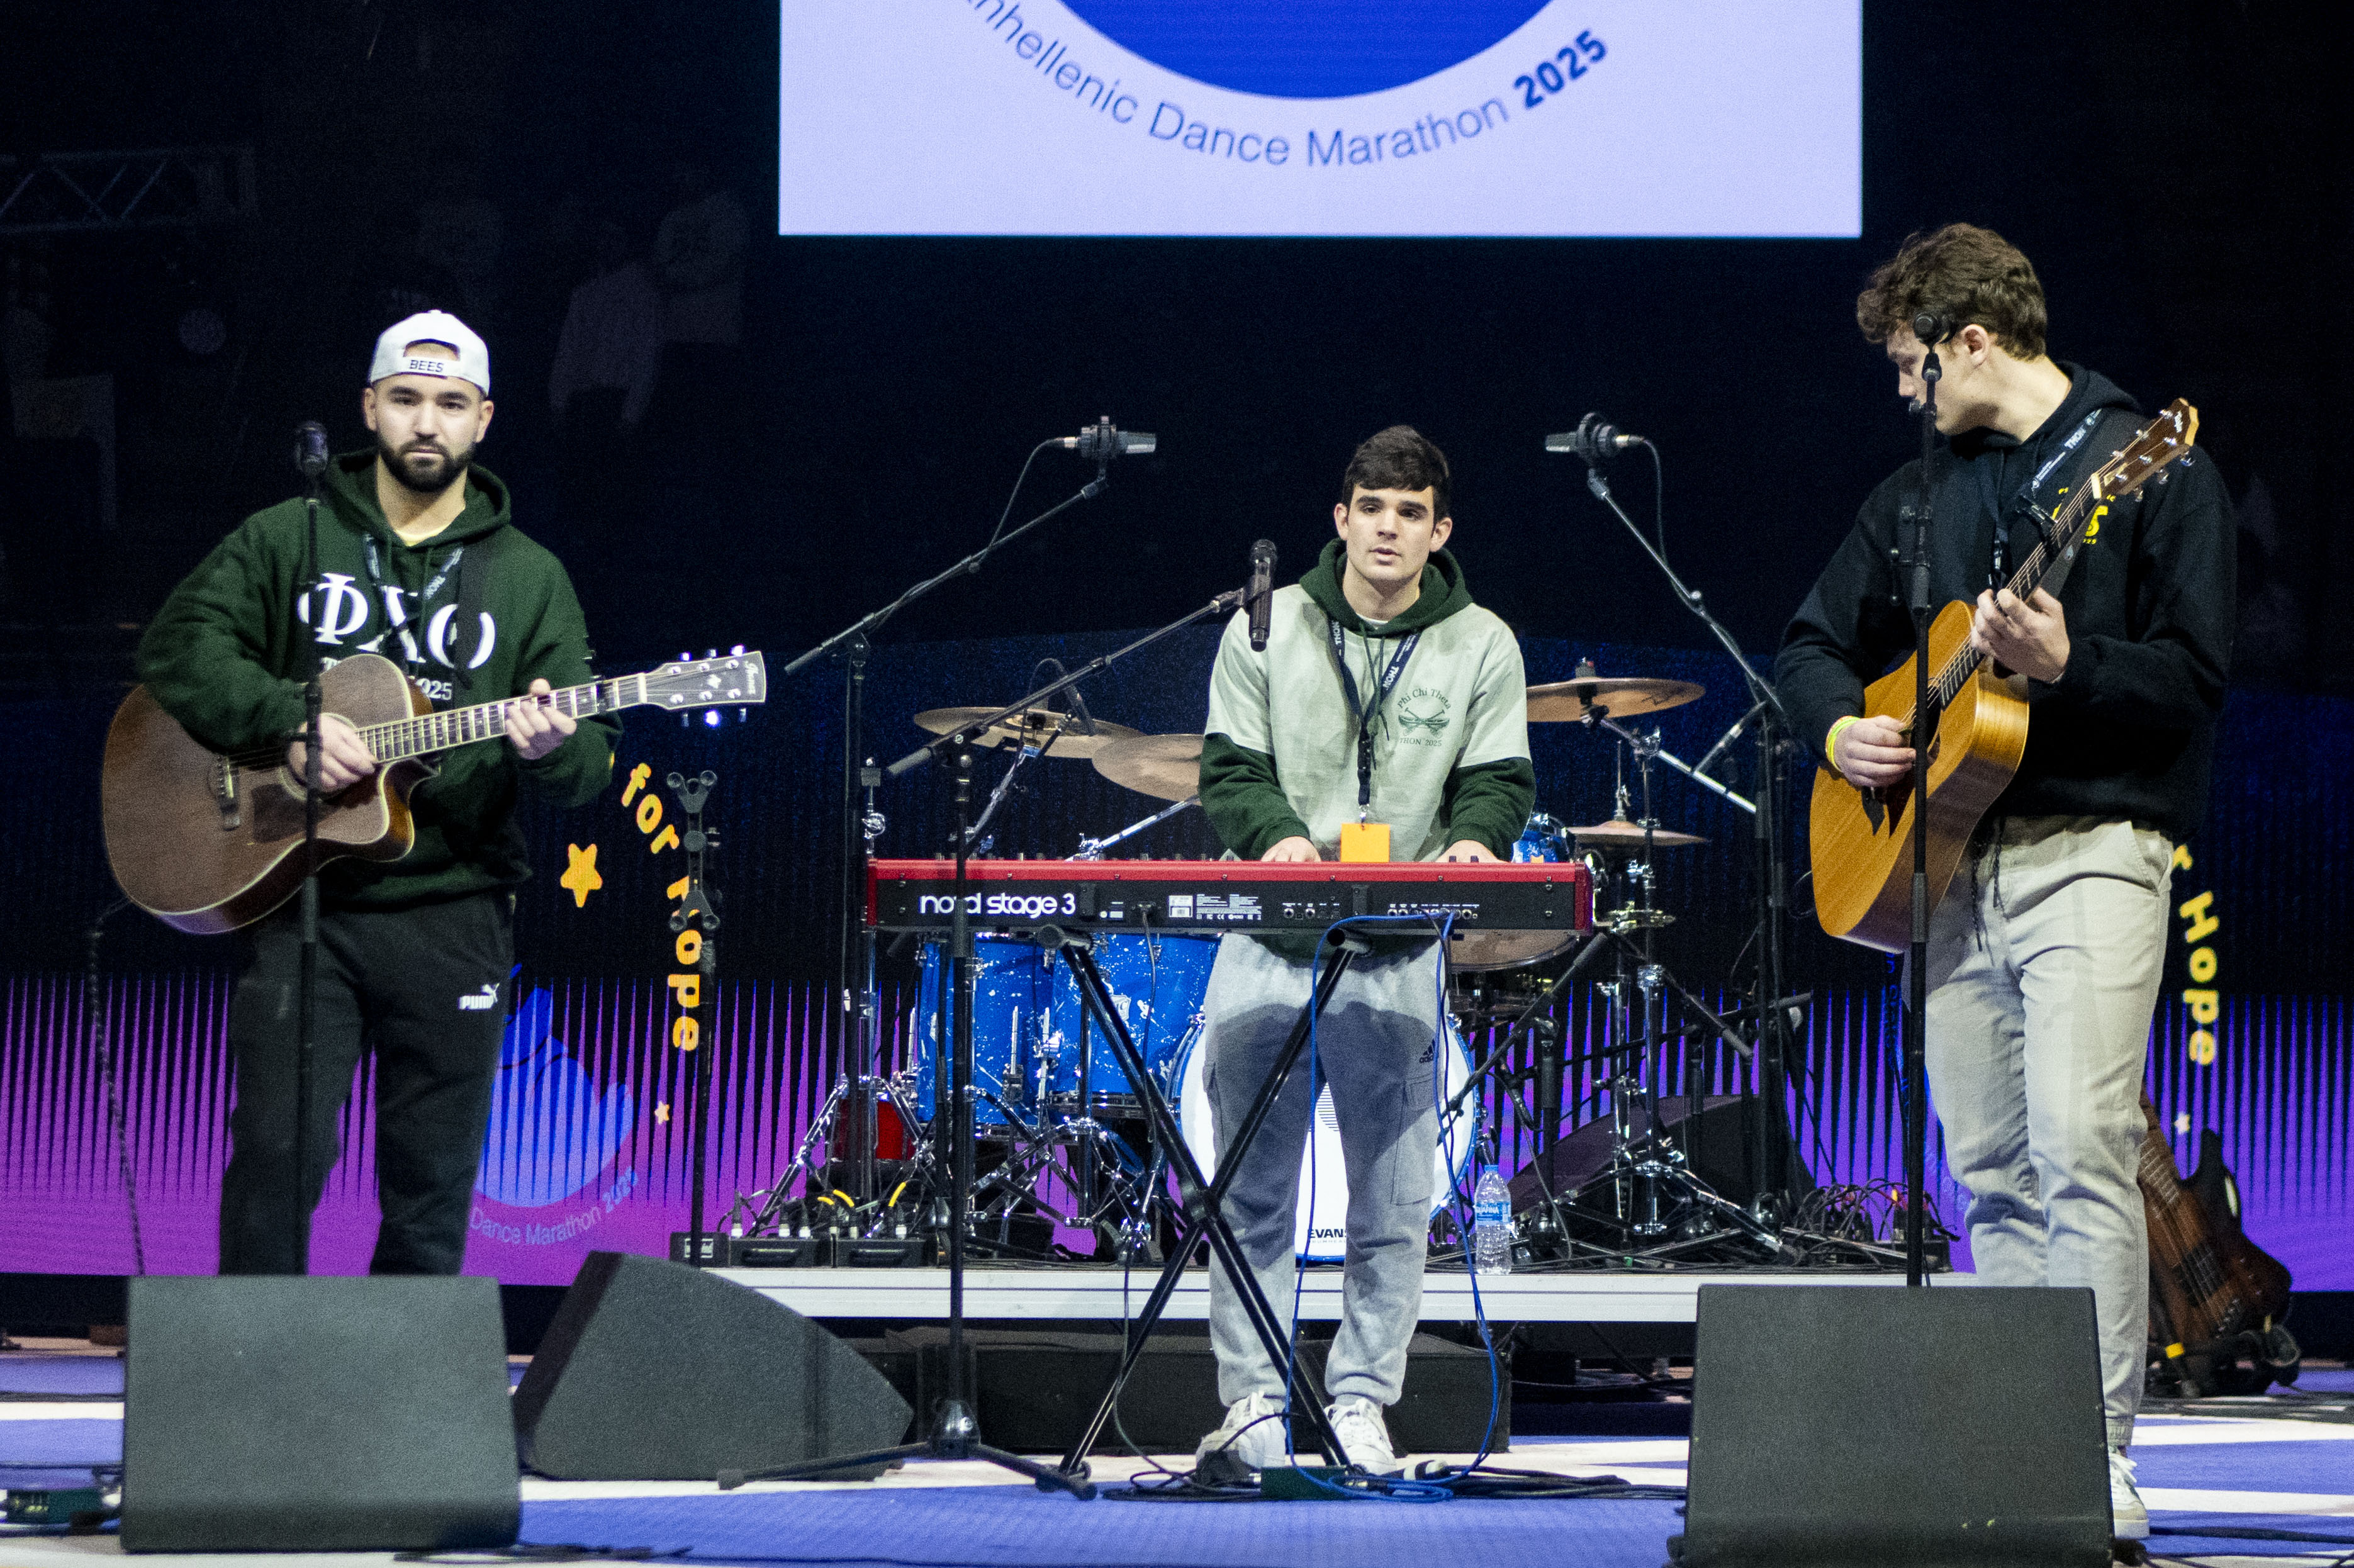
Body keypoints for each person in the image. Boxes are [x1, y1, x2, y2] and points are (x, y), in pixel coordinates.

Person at [1774, 224, 2234, 1540]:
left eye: (1908, 362)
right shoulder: (1916, 498)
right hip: (1944, 866)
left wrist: (2066, 662)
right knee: (1985, 1169)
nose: (1900, 389)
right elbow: (1809, 643)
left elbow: (2193, 682)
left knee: (2079, 1147)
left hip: (2091, 848)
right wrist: (1836, 731)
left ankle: (2092, 1459)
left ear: (1969, 342)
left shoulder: (2151, 465)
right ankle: (2022, 1449)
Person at [136, 309, 620, 1276]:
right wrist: (289, 719)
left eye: (451, 403)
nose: (427, 423)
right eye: (405, 399)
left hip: (457, 904)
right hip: (307, 899)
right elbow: (177, 648)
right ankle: (255, 1359)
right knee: (275, 1155)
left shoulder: (529, 577)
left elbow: (588, 769)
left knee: (432, 1182)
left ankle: (405, 1376)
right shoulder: (293, 534)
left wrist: (551, 748)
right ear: (369, 408)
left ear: (484, 418)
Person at [1191, 425, 1534, 1477]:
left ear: (1439, 531)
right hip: (1269, 936)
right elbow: (1229, 767)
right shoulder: (1265, 623)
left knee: (1392, 1201)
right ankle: (1252, 1404)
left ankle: (1359, 1402)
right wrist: (1277, 839)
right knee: (1249, 1189)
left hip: (1395, 947)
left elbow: (1497, 777)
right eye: (1371, 509)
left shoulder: (1481, 640)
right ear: (1340, 519)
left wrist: (1475, 841)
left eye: (1409, 512)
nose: (1388, 528)